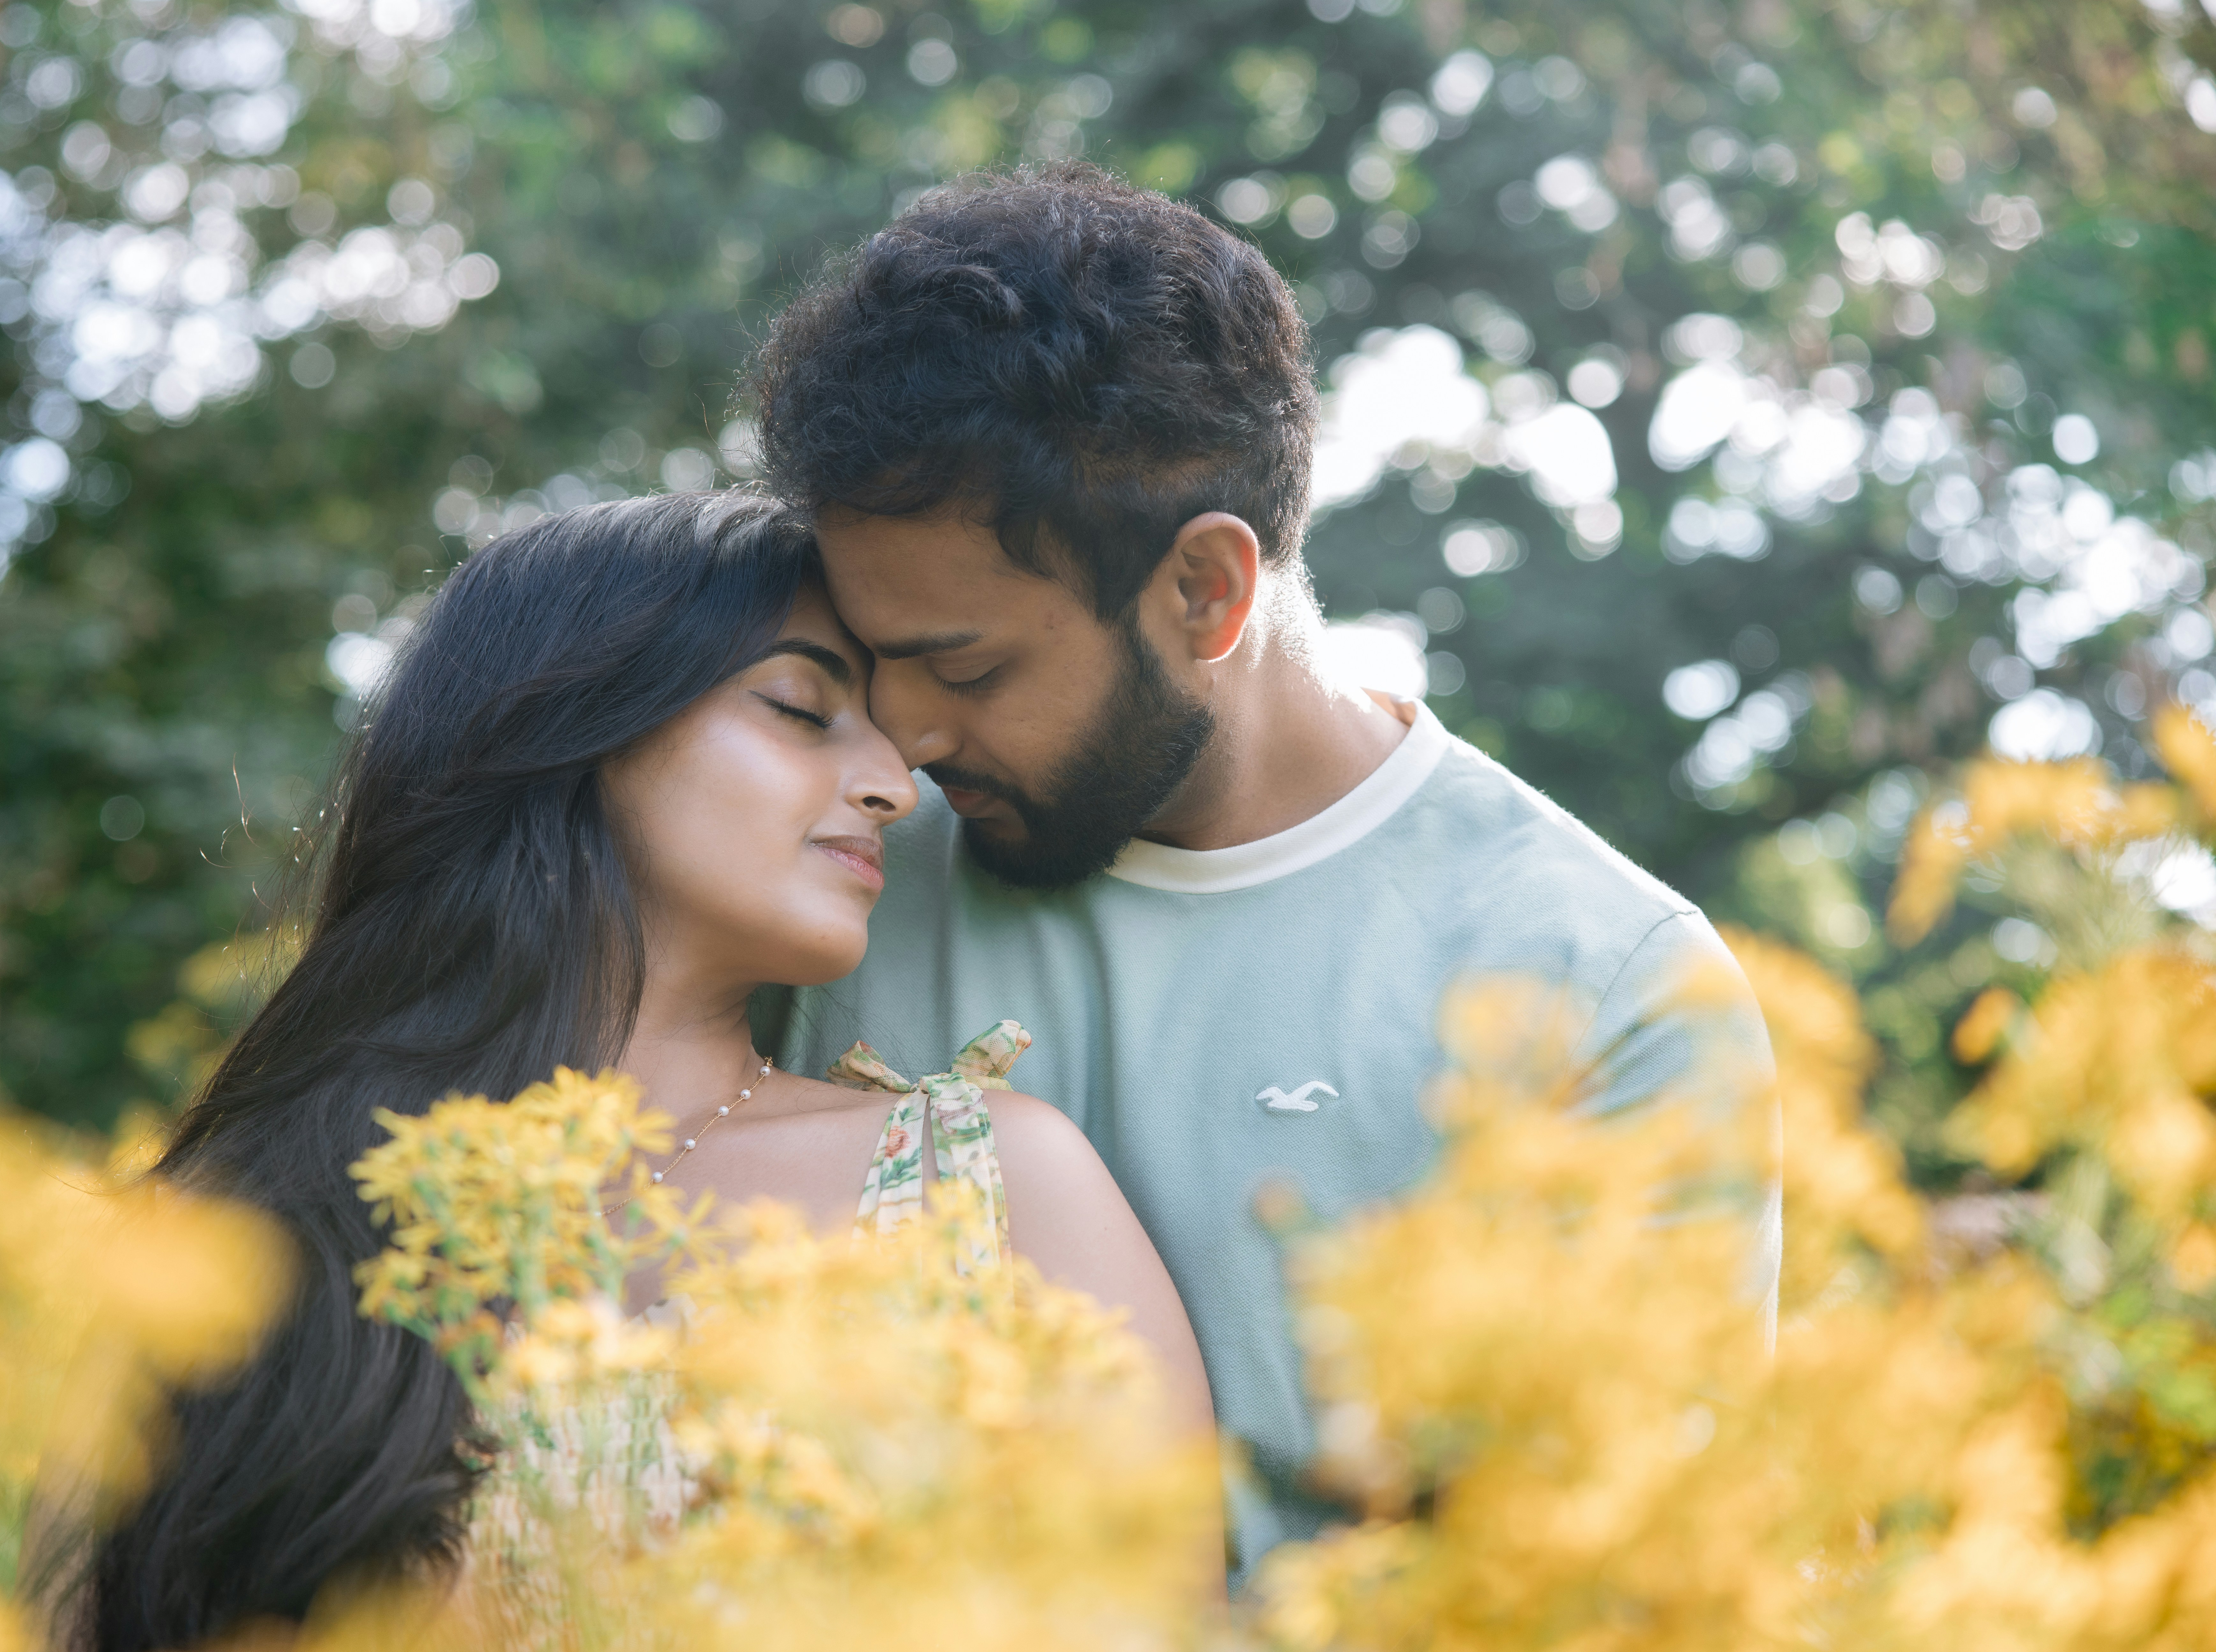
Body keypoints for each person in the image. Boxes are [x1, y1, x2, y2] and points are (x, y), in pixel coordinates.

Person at [746, 163, 1781, 1580]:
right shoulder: (827, 887)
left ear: (1203, 592)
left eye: (962, 665)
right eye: (870, 662)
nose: (905, 738)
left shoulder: (1601, 987)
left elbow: (1617, 1586)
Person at [38, 492, 1209, 1652]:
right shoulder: (237, 1231)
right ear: (576, 727)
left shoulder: (987, 1184)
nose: (895, 788)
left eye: (891, 742)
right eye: (803, 708)